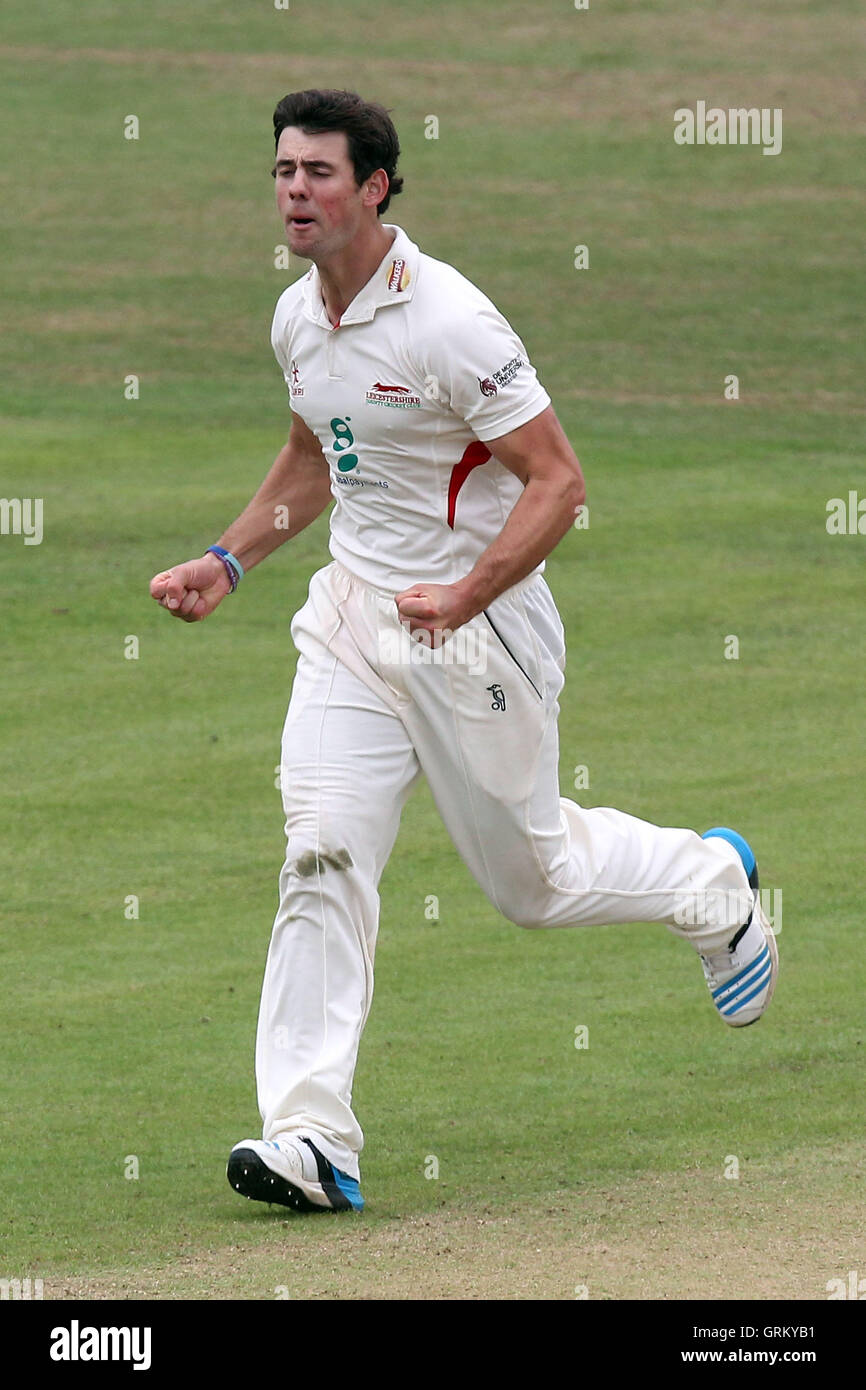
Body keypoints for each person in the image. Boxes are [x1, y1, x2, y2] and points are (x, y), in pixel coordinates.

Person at [150, 89, 778, 1216]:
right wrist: (229, 559)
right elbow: (315, 454)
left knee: (534, 885)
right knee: (320, 855)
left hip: (475, 632)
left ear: (376, 186)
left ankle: (711, 883)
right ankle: (309, 1137)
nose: (294, 190)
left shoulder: (449, 322)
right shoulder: (298, 318)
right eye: (282, 171)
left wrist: (466, 590)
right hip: (349, 624)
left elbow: (558, 482)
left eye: (319, 173)